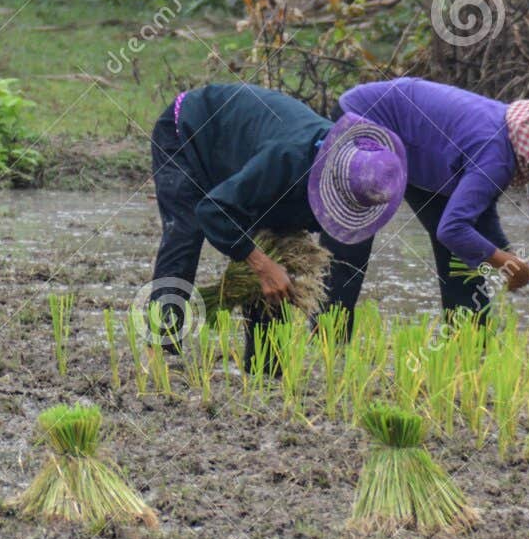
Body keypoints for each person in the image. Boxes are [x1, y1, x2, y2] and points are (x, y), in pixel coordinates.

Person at [148, 83, 407, 361]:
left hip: (242, 154)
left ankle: (264, 365)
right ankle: (161, 351)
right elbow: (214, 210)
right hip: (188, 131)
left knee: (273, 244)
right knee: (185, 234)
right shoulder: (286, 159)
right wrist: (261, 264)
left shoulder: (361, 176)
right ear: (331, 180)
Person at [336, 77, 529, 316]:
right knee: (352, 235)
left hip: (418, 148)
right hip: (367, 120)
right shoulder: (495, 155)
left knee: (462, 251)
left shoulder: (507, 138)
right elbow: (453, 229)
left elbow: (480, 213)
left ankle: (469, 338)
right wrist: (504, 262)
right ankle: (327, 337)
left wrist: (506, 254)